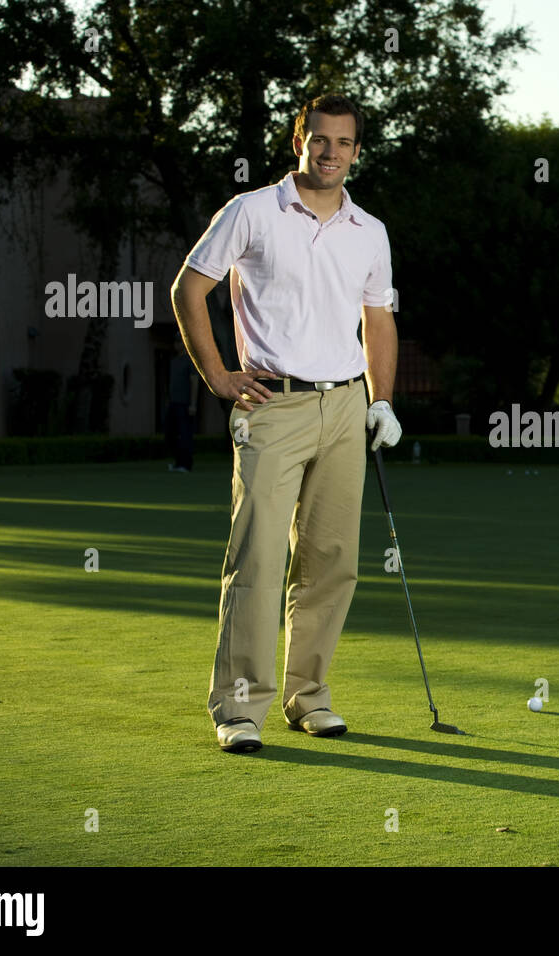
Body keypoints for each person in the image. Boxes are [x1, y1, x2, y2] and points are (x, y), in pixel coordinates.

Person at [169, 93, 402, 754]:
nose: (330, 153)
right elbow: (189, 287)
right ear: (298, 140)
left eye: (344, 143)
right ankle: (239, 709)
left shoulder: (370, 231)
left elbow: (377, 320)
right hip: (270, 405)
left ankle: (309, 696)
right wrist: (217, 376)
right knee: (260, 558)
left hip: (345, 406)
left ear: (358, 152)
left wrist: (381, 401)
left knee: (331, 561)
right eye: (319, 139)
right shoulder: (251, 212)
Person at [164, 335, 199, 472]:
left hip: (185, 404)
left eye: (180, 342)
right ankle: (178, 462)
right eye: (176, 342)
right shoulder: (174, 361)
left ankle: (185, 464)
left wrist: (193, 404)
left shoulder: (190, 361)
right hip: (174, 402)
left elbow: (194, 382)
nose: (177, 345)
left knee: (185, 434)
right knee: (171, 433)